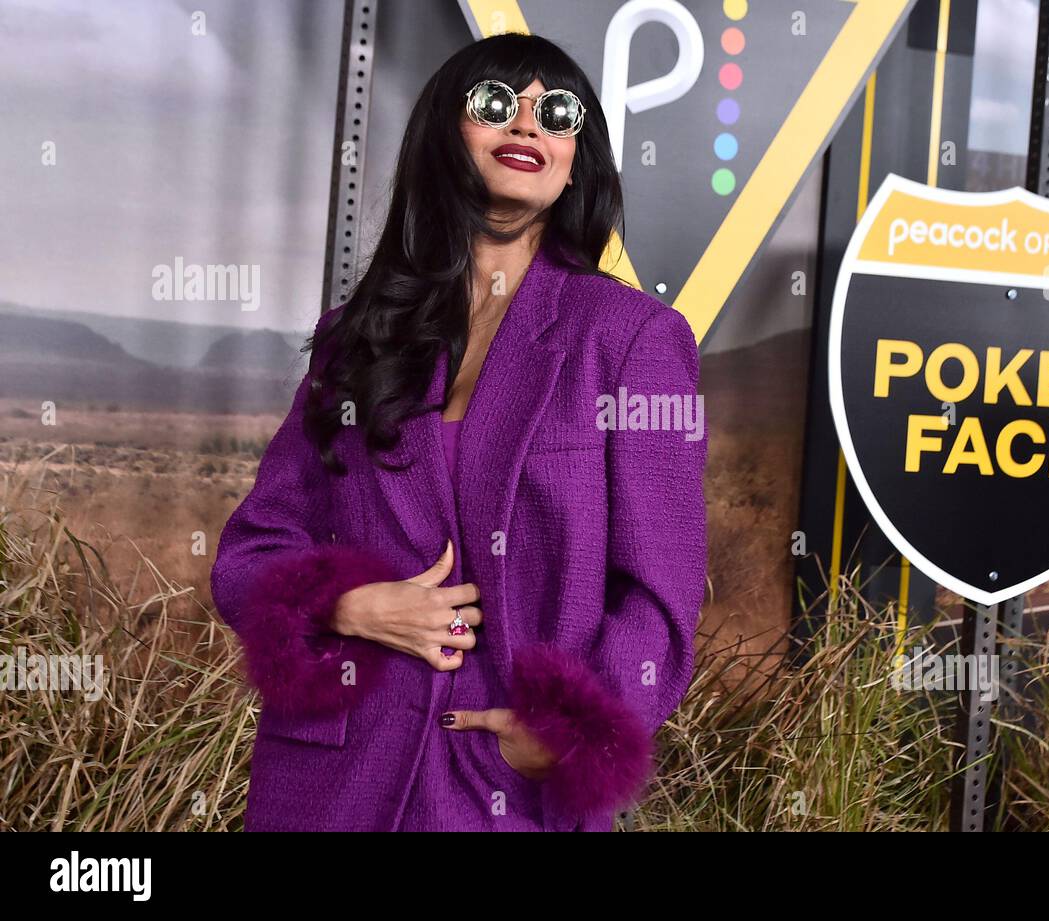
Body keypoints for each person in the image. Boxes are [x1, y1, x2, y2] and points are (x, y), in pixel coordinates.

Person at [209, 32, 708, 831]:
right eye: (495, 105)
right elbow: (251, 553)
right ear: (447, 132)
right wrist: (353, 604)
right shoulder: (356, 336)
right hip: (331, 781)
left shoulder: (630, 338)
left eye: (558, 114)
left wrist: (568, 734)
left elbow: (662, 588)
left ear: (577, 160)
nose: (527, 126)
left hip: (505, 790)